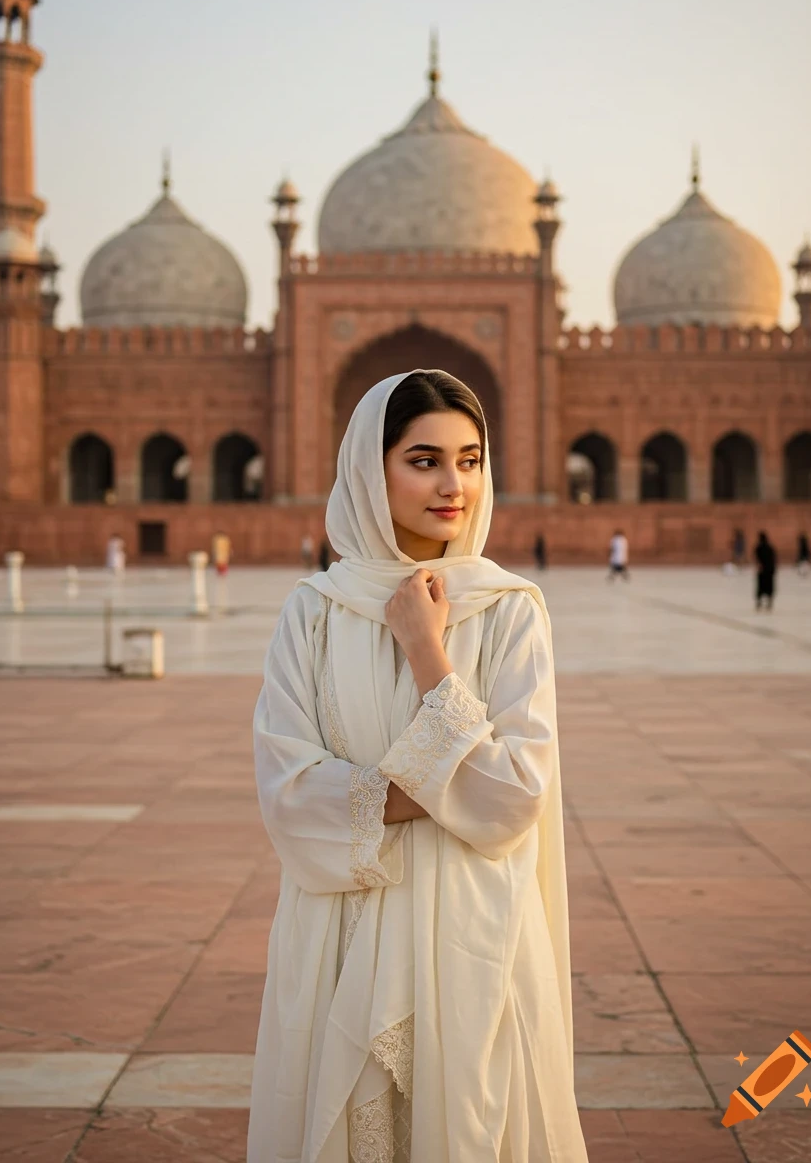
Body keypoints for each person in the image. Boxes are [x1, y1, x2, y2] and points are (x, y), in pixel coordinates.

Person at [248, 370, 588, 1163]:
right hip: (342, 927)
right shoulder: (316, 610)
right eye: (424, 459)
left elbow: (514, 796)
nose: (453, 485)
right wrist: (449, 779)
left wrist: (426, 650)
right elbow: (289, 795)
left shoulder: (509, 610)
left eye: (470, 460)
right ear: (373, 468)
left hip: (470, 929)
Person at [754, 530, 777, 611]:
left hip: (763, 571)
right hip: (769, 570)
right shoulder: (770, 547)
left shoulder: (759, 548)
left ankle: (759, 603)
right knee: (768, 587)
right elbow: (773, 559)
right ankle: (768, 603)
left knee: (761, 587)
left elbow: (758, 559)